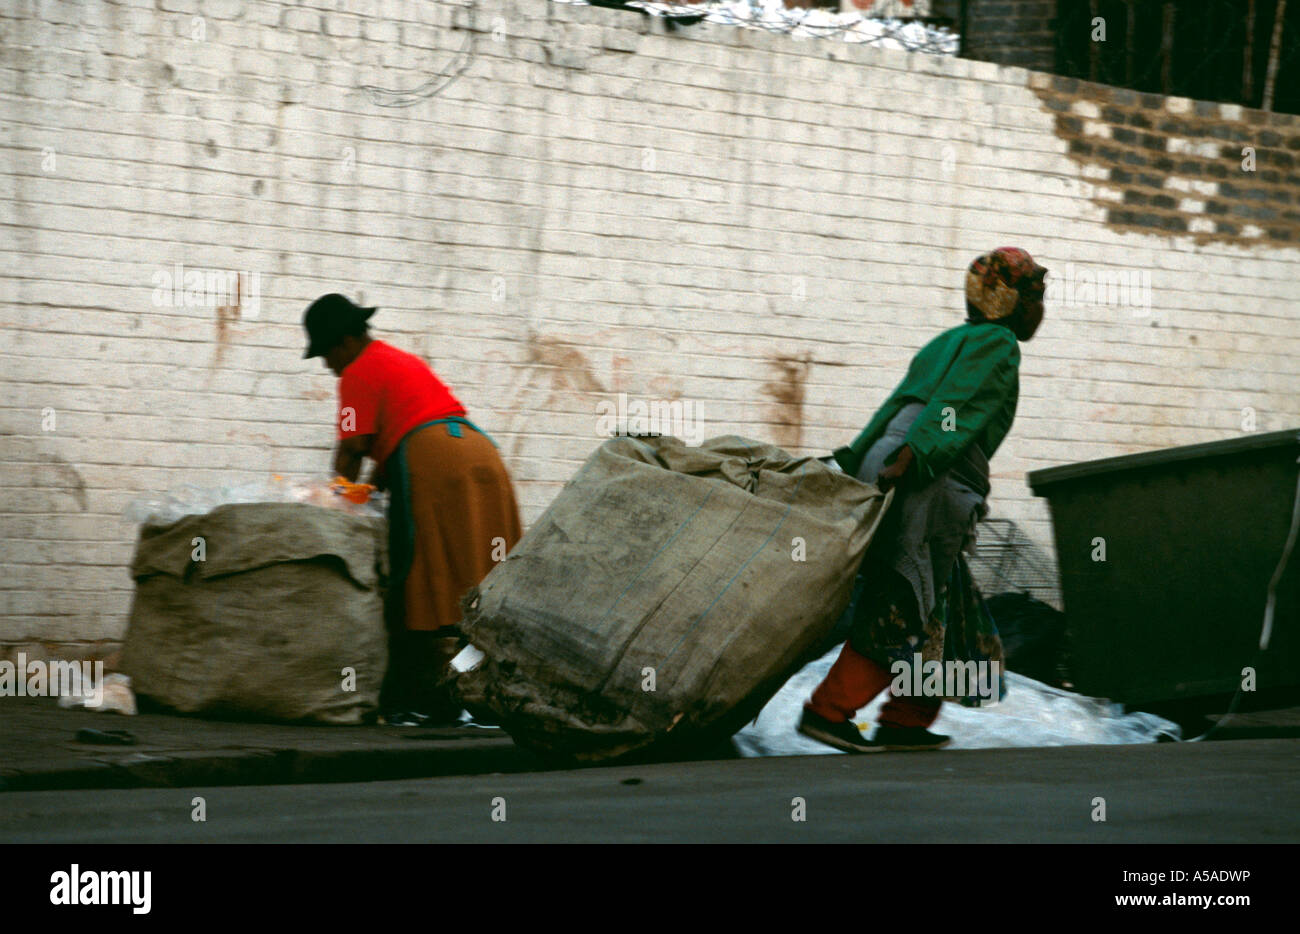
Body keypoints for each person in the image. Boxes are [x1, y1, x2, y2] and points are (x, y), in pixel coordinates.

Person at [798, 248, 1047, 752]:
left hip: (899, 460)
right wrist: (916, 454)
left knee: (945, 608)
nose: (1040, 311)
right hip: (930, 475)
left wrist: (858, 460)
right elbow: (957, 405)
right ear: (1010, 300)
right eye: (1036, 298)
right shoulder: (998, 343)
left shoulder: (946, 341)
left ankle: (907, 719)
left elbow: (895, 406)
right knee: (903, 602)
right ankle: (828, 711)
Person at [303, 294, 523, 726]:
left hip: (432, 462)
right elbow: (398, 432)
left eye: (328, 352)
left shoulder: (357, 371)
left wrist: (334, 503)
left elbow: (352, 449)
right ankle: (481, 695)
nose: (328, 365)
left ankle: (425, 697)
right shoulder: (400, 360)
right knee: (479, 581)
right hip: (479, 457)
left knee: (418, 578)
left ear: (346, 341)